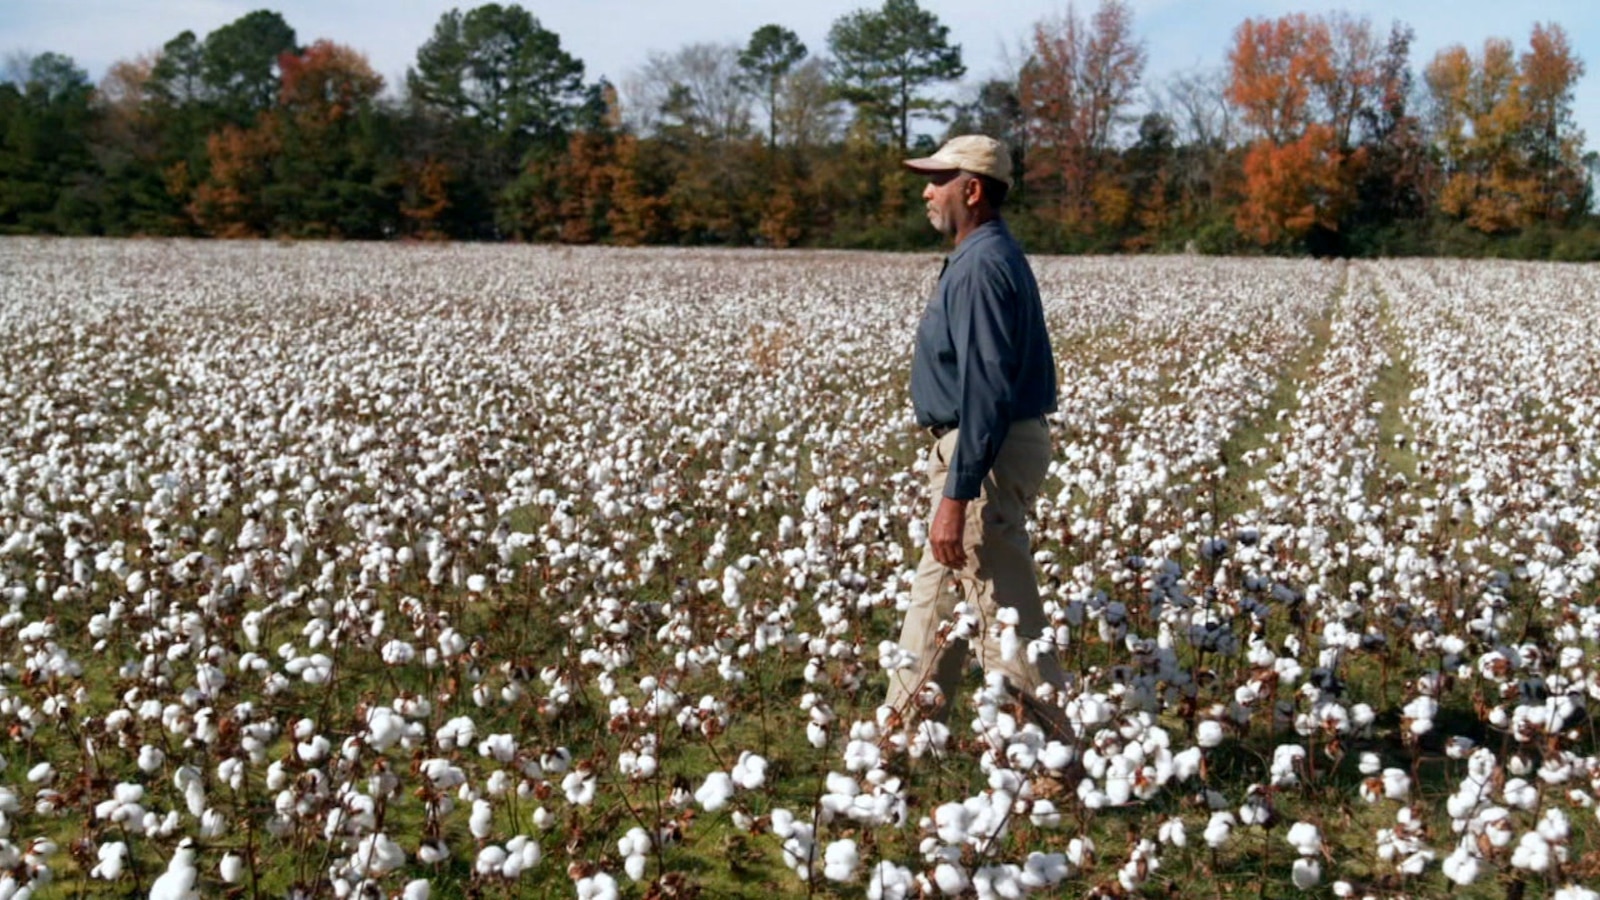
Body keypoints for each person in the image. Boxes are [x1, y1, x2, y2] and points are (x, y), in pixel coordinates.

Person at [884, 134, 1070, 741]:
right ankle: (897, 739)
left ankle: (1046, 754)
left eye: (938, 179)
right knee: (935, 603)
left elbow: (985, 389)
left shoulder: (983, 266)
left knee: (1001, 607)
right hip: (984, 444)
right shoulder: (983, 257)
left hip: (982, 451)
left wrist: (958, 495)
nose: (926, 190)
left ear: (973, 189)